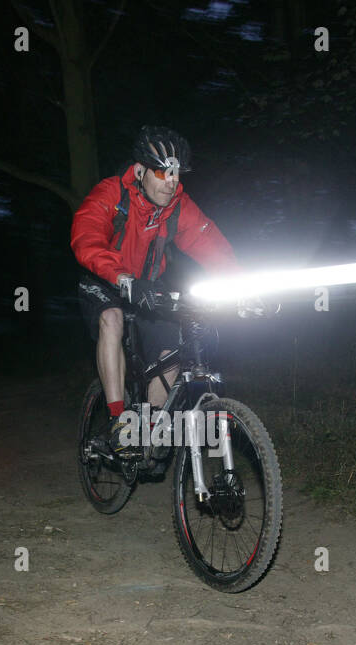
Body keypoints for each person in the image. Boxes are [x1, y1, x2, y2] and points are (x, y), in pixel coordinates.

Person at [71, 126, 239, 457]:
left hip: (148, 287)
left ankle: (149, 431)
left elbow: (212, 246)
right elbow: (86, 237)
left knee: (171, 350)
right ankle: (119, 422)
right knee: (112, 318)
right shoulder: (112, 195)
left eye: (177, 173)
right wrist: (121, 278)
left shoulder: (178, 206)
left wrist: (242, 286)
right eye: (163, 172)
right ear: (140, 171)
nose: (172, 181)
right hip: (105, 280)